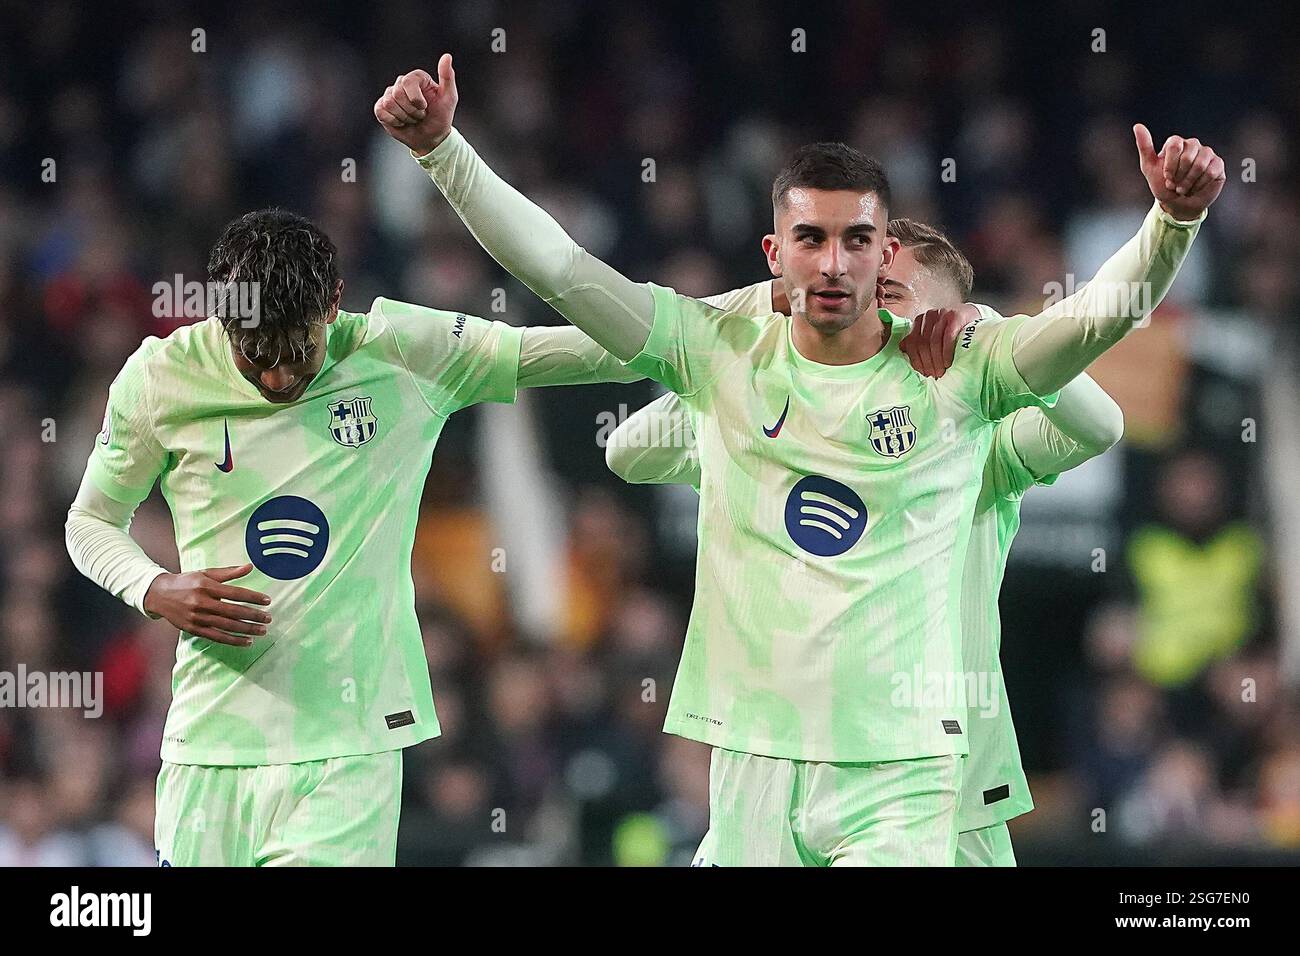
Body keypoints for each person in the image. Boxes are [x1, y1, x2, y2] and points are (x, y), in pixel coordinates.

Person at [375, 54, 1222, 864]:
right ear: (775, 256)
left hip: (905, 763)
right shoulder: (721, 351)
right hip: (755, 754)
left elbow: (1098, 322)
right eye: (810, 238)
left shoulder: (960, 374)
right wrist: (444, 153)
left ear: (886, 251)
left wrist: (1171, 223)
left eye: (858, 240)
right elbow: (562, 271)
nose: (834, 261)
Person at [64, 207, 642, 866]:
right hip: (211, 745)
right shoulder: (160, 377)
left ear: (334, 303)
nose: (278, 378)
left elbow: (586, 350)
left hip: (351, 748)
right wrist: (152, 586)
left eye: (295, 353)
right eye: (257, 356)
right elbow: (90, 522)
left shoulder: (402, 354)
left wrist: (738, 318)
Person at [603, 216, 1134, 865]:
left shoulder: (976, 436)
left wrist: (994, 336)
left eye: (888, 297)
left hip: (935, 785)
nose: (861, 312)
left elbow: (1099, 426)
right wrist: (748, 344)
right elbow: (628, 453)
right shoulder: (769, 418)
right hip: (772, 768)